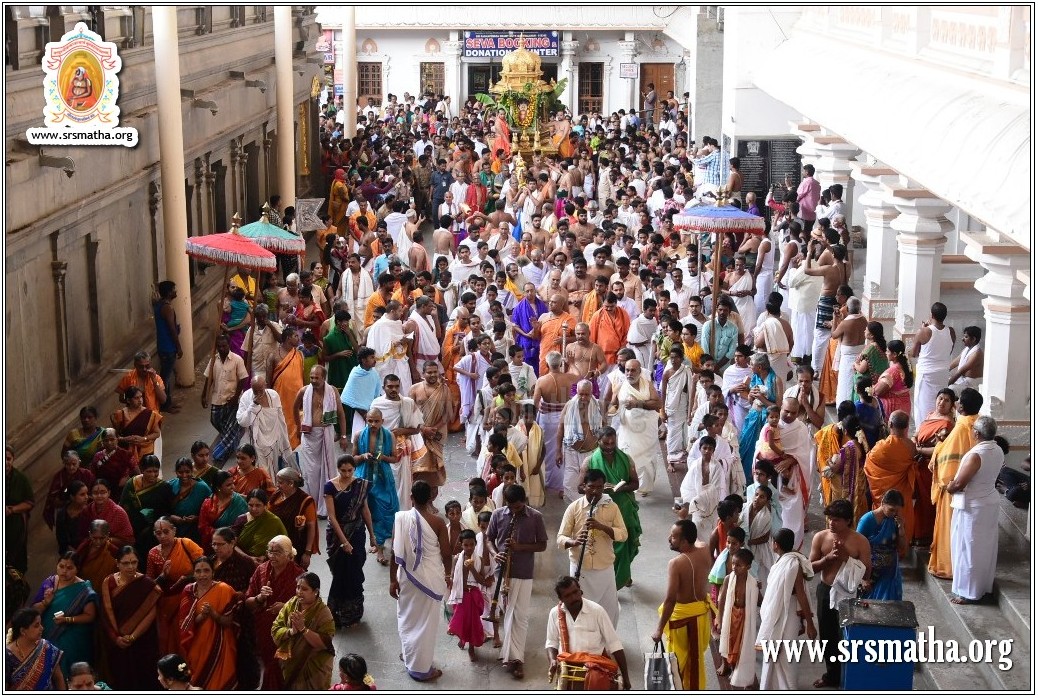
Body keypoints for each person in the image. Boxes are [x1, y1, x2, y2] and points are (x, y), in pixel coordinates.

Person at [391, 481, 452, 682]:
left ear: (411, 497)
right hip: (431, 578)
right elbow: (446, 554)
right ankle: (420, 668)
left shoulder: (401, 518)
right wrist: (448, 575)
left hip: (407, 578)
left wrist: (392, 580)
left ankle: (409, 653)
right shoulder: (438, 522)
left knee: (408, 617)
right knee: (426, 624)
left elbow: (394, 552)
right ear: (431, 498)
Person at [486, 484, 549, 680]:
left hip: (523, 572)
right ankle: (513, 657)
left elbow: (542, 545)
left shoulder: (535, 517)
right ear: (506, 502)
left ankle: (514, 657)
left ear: (524, 502)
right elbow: (489, 539)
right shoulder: (497, 514)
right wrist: (496, 554)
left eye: (518, 508)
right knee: (510, 615)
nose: (514, 511)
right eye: (511, 507)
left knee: (519, 616)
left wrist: (520, 547)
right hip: (502, 571)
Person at [808, 499, 872, 688]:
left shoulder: (860, 541)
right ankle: (832, 676)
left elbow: (867, 572)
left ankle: (850, 676)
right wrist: (828, 559)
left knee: (847, 636)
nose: (831, 523)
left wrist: (846, 559)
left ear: (847, 521)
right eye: (829, 519)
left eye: (836, 520)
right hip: (825, 590)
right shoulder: (821, 537)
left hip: (849, 594)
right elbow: (810, 568)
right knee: (827, 636)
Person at [556, 469, 627, 628]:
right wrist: (573, 542)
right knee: (582, 610)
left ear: (604, 487)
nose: (595, 491)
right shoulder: (574, 508)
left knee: (609, 610)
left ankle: (605, 647)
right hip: (581, 569)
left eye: (599, 487)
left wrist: (602, 527)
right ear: (584, 487)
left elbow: (623, 534)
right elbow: (560, 538)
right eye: (591, 487)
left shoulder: (612, 507)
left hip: (604, 567)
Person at [650, 520, 712, 690]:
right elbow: (698, 540)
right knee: (695, 660)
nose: (669, 538)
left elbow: (670, 600)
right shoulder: (705, 548)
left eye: (674, 537)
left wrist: (659, 629)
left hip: (682, 623)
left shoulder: (676, 564)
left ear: (685, 541)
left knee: (676, 664)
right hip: (700, 617)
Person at [948, 416, 1003, 604]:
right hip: (989, 502)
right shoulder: (998, 449)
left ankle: (968, 592)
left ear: (977, 433)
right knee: (984, 548)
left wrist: (949, 487)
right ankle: (982, 587)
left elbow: (959, 483)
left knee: (968, 549)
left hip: (973, 507)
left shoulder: (976, 455)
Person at [929, 387, 982, 579]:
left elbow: (947, 458)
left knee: (950, 528)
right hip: (974, 486)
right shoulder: (979, 421)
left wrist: (938, 447)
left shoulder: (961, 427)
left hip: (954, 485)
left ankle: (947, 566)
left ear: (961, 406)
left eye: (958, 402)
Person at [545, 575, 632, 690]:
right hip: (567, 668)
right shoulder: (555, 613)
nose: (574, 597)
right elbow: (551, 642)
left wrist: (626, 678)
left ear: (580, 590)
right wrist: (552, 660)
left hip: (596, 669)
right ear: (561, 598)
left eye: (575, 592)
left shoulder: (597, 611)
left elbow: (614, 644)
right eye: (568, 596)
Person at [756, 528, 816, 690]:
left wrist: (810, 624)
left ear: (776, 545)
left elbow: (801, 594)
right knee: (774, 653)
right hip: (779, 611)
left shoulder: (792, 564)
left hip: (789, 613)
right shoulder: (783, 561)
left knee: (785, 654)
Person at [584, 427, 641, 590]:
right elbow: (580, 487)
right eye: (605, 443)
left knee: (625, 542)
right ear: (598, 441)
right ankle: (611, 582)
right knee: (606, 544)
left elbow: (635, 483)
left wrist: (619, 488)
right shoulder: (589, 461)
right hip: (602, 508)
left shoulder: (626, 459)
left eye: (612, 443)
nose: (609, 446)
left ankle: (623, 575)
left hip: (623, 507)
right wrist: (598, 488)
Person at [245, 534, 304, 690]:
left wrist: (285, 607)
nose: (271, 556)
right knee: (269, 661)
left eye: (277, 552)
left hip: (287, 632)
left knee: (281, 666)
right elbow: (248, 601)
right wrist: (259, 597)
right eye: (269, 551)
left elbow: (309, 606)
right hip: (265, 629)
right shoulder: (261, 570)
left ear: (288, 555)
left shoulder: (299, 575)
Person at [324, 455, 377, 628]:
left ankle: (353, 612)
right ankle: (336, 611)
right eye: (343, 470)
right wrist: (344, 541)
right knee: (340, 572)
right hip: (337, 534)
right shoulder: (330, 487)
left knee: (354, 570)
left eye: (350, 470)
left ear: (354, 469)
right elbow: (332, 516)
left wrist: (372, 536)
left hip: (357, 531)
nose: (346, 474)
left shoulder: (360, 485)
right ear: (338, 469)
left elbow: (366, 511)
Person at [99, 546, 161, 690]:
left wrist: (132, 637)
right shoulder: (109, 582)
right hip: (116, 642)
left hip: (143, 642)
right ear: (117, 563)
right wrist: (116, 638)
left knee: (145, 678)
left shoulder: (147, 584)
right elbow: (105, 613)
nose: (131, 567)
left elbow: (151, 614)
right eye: (126, 563)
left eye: (134, 562)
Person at [293, 365, 350, 517]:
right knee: (311, 472)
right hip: (309, 436)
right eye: (311, 377)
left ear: (324, 378)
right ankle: (313, 504)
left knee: (327, 469)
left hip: (326, 433)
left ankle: (326, 505)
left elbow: (341, 414)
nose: (313, 380)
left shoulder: (332, 391)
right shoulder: (304, 391)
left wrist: (343, 436)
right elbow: (294, 408)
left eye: (317, 377)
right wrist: (299, 427)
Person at [29, 551, 98, 676]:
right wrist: (45, 602)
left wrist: (67, 620)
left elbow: (90, 616)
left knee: (68, 671)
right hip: (48, 635)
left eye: (69, 568)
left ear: (77, 569)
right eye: (61, 566)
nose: (64, 571)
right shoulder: (49, 583)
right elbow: (34, 612)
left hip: (73, 639)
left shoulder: (84, 590)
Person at [176, 556, 237, 690]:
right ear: (193, 573)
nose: (202, 575)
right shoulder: (189, 590)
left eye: (206, 570)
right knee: (196, 682)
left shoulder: (224, 589)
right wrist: (203, 616)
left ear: (213, 572)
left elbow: (228, 622)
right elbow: (186, 625)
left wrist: (213, 614)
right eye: (198, 571)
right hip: (195, 646)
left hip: (220, 646)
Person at [209, 528, 259, 689]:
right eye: (213, 544)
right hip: (215, 614)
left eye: (220, 544)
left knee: (242, 653)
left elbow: (254, 587)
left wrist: (239, 595)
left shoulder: (245, 563)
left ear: (232, 543)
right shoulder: (210, 561)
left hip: (239, 616)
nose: (216, 548)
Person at [147, 517, 204, 656]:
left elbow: (205, 568)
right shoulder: (153, 553)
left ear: (174, 530)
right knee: (169, 640)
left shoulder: (186, 544)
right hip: (166, 604)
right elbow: (149, 584)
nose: (163, 536)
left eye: (166, 531)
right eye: (158, 533)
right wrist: (163, 576)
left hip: (190, 599)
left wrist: (187, 579)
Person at [271, 572, 335, 690]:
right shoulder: (291, 604)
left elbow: (325, 643)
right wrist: (291, 631)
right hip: (290, 662)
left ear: (315, 591)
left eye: (304, 589)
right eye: (298, 587)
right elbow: (275, 628)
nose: (299, 592)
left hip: (313, 668)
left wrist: (303, 629)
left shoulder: (323, 613)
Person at [353, 408, 401, 566]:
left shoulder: (389, 435)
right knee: (369, 512)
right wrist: (362, 456)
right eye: (370, 421)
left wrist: (383, 457)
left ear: (382, 421)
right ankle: (378, 547)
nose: (373, 424)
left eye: (376, 421)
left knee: (386, 510)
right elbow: (353, 459)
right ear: (366, 420)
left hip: (383, 479)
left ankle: (382, 542)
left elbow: (394, 458)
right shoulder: (359, 436)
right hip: (364, 478)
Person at [371, 374, 425, 507]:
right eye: (390, 386)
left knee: (403, 484)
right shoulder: (377, 404)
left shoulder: (407, 403)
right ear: (383, 387)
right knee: (382, 482)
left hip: (402, 450)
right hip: (381, 449)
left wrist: (402, 431)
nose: (393, 389)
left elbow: (417, 429)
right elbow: (371, 428)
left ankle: (403, 513)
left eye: (396, 386)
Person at [612, 359, 662, 497]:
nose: (630, 373)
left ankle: (644, 487)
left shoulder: (647, 385)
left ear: (640, 371)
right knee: (626, 457)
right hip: (627, 430)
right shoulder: (620, 386)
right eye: (627, 370)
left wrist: (637, 404)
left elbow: (658, 404)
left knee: (646, 459)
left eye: (633, 370)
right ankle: (628, 484)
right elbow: (612, 405)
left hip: (646, 432)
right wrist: (614, 407)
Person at [863, 411, 917, 537]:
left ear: (890, 424)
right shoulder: (910, 446)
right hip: (901, 495)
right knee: (902, 516)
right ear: (907, 426)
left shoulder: (880, 447)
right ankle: (903, 545)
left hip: (883, 495)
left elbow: (868, 465)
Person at [914, 389, 957, 545]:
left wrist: (919, 450)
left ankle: (926, 535)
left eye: (946, 400)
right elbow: (917, 432)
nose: (942, 403)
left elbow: (941, 449)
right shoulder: (930, 415)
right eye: (940, 398)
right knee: (918, 500)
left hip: (930, 466)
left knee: (928, 501)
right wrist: (914, 439)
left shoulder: (948, 424)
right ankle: (917, 532)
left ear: (952, 405)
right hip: (918, 463)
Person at [715, 548, 759, 688]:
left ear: (748, 567)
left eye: (739, 565)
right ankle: (729, 667)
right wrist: (719, 618)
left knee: (742, 645)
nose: (734, 567)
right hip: (731, 616)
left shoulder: (753, 583)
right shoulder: (729, 579)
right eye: (733, 564)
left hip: (744, 619)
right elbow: (722, 600)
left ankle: (742, 675)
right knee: (729, 642)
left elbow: (759, 601)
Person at [446, 529, 492, 660]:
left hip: (473, 595)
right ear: (461, 545)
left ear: (475, 544)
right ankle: (463, 638)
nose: (469, 548)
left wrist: (472, 568)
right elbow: (454, 577)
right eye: (466, 545)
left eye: (472, 544)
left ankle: (471, 648)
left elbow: (481, 580)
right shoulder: (457, 559)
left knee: (473, 623)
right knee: (462, 621)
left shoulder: (479, 560)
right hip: (461, 595)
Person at [202, 334, 248, 463]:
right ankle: (234, 437)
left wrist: (236, 396)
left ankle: (220, 452)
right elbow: (208, 378)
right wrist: (204, 395)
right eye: (219, 346)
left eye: (224, 346)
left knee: (229, 428)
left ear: (229, 345)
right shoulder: (213, 360)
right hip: (217, 399)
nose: (221, 348)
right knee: (216, 420)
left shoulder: (237, 359)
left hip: (232, 400)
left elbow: (243, 378)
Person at [121, 455, 173, 569]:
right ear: (142, 470)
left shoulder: (164, 487)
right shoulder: (132, 484)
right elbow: (124, 506)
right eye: (149, 471)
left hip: (152, 534)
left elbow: (166, 513)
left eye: (155, 471)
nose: (153, 475)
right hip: (131, 530)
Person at [236, 374, 293, 478]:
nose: (258, 394)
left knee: (274, 474)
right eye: (255, 391)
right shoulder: (246, 397)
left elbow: (280, 420)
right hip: (255, 444)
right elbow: (242, 421)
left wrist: (285, 442)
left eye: (260, 390)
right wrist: (253, 406)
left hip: (273, 443)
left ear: (265, 386)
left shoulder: (274, 395)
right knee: (258, 474)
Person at [857, 490, 909, 601]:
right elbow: (856, 546)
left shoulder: (897, 521)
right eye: (891, 510)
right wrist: (862, 578)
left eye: (897, 511)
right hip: (870, 570)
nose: (894, 513)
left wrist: (901, 529)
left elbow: (902, 547)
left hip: (889, 571)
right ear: (882, 503)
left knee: (889, 604)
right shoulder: (867, 520)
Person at [738, 353, 781, 481]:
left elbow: (778, 407)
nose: (749, 366)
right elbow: (751, 401)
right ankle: (746, 479)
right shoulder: (754, 378)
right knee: (746, 447)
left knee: (763, 451)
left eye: (752, 364)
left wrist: (762, 399)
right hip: (753, 417)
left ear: (760, 367)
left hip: (767, 421)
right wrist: (750, 395)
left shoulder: (776, 380)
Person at [410, 361, 455, 486]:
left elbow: (448, 414)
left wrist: (433, 429)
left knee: (435, 467)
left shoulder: (444, 389)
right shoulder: (414, 389)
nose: (432, 375)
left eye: (435, 372)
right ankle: (417, 495)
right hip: (418, 433)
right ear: (423, 374)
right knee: (418, 466)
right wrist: (424, 429)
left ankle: (431, 496)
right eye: (429, 372)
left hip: (436, 434)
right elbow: (409, 414)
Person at [912, 302, 956, 428]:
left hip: (926, 374)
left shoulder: (924, 331)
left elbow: (914, 353)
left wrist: (922, 329)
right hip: (942, 374)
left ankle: (923, 431)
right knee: (940, 401)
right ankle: (939, 427)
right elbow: (949, 351)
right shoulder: (951, 332)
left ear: (931, 315)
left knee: (922, 405)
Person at [269, 468, 318, 569]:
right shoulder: (276, 495)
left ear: (291, 483)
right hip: (275, 544)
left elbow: (311, 526)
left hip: (295, 547)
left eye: (280, 482)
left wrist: (307, 553)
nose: (277, 485)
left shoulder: (305, 501)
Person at [5, 608, 66, 690]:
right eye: (36, 626)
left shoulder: (46, 647)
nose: (42, 628)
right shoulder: (7, 655)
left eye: (40, 624)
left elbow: (58, 677)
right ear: (23, 631)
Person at [660, 346, 695, 471]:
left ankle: (681, 457)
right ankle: (671, 461)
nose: (674, 360)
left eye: (676, 357)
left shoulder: (686, 371)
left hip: (683, 405)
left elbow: (691, 391)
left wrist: (690, 411)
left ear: (681, 359)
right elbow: (663, 392)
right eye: (672, 357)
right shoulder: (667, 373)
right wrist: (662, 410)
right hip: (671, 407)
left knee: (683, 433)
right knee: (672, 433)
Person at [198, 470, 249, 552]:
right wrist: (222, 533)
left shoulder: (238, 501)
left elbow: (247, 522)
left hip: (235, 544)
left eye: (233, 483)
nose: (233, 487)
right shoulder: (208, 504)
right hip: (214, 545)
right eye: (228, 485)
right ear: (218, 488)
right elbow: (202, 527)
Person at [233, 489, 288, 560]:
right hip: (242, 561)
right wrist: (249, 558)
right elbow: (232, 544)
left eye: (258, 505)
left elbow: (284, 545)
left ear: (265, 505)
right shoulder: (241, 520)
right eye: (250, 505)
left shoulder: (274, 521)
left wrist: (266, 556)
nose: (254, 509)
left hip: (267, 562)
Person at [112, 386, 163, 461]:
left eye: (141, 397)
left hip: (145, 451)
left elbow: (157, 433)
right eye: (136, 398)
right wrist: (124, 439)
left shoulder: (150, 414)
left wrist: (143, 438)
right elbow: (115, 435)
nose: (140, 400)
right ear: (128, 400)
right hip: (126, 451)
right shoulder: (121, 414)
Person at [5, 446, 35, 574]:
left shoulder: (21, 478)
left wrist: (12, 510)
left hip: (15, 526)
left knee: (16, 562)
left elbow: (30, 502)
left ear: (13, 459)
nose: (5, 462)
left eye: (8, 459)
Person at [168, 457, 211, 544]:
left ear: (192, 471)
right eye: (180, 472)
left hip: (195, 531)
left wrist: (197, 518)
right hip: (173, 530)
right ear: (176, 472)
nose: (184, 475)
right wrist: (171, 517)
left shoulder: (203, 488)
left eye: (187, 472)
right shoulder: (170, 486)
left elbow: (211, 511)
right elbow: (162, 509)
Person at [74, 520, 119, 596]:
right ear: (90, 534)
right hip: (83, 589)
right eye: (95, 538)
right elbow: (75, 565)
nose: (98, 542)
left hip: (103, 593)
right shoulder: (83, 548)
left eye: (102, 538)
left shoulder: (113, 552)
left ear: (108, 535)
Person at [89, 429, 138, 495]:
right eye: (106, 440)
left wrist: (128, 481)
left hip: (123, 491)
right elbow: (92, 476)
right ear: (102, 442)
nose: (109, 442)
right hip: (103, 492)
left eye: (112, 439)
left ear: (117, 439)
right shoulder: (98, 456)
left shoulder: (126, 454)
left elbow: (138, 474)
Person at [873, 339, 913, 418]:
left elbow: (878, 392)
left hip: (894, 409)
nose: (886, 353)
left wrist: (872, 387)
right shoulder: (906, 366)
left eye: (888, 351)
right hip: (904, 407)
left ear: (894, 354)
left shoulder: (893, 371)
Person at [54, 480, 90, 554]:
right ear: (72, 497)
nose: (86, 497)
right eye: (82, 494)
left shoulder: (90, 512)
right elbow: (60, 537)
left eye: (87, 493)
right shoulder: (62, 514)